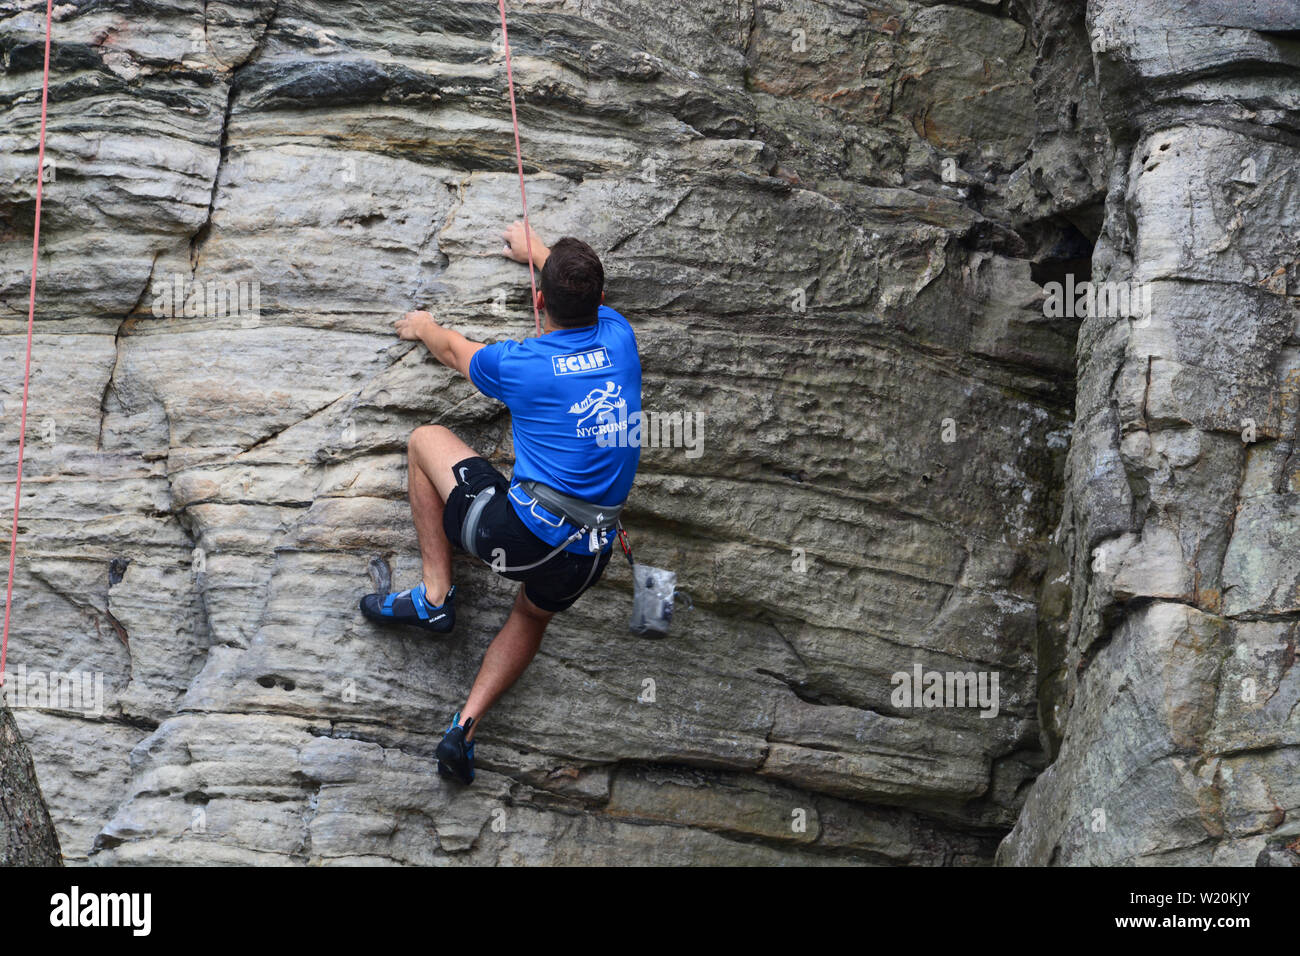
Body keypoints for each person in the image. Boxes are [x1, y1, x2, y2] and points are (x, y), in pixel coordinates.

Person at [359, 221, 642, 784]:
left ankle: (436, 595)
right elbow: (586, 295)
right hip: (588, 555)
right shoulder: (620, 338)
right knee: (532, 615)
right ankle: (463, 728)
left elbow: (451, 350)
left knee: (424, 442)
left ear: (540, 301)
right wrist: (540, 253)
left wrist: (424, 325)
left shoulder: (519, 365)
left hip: (514, 533)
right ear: (600, 299)